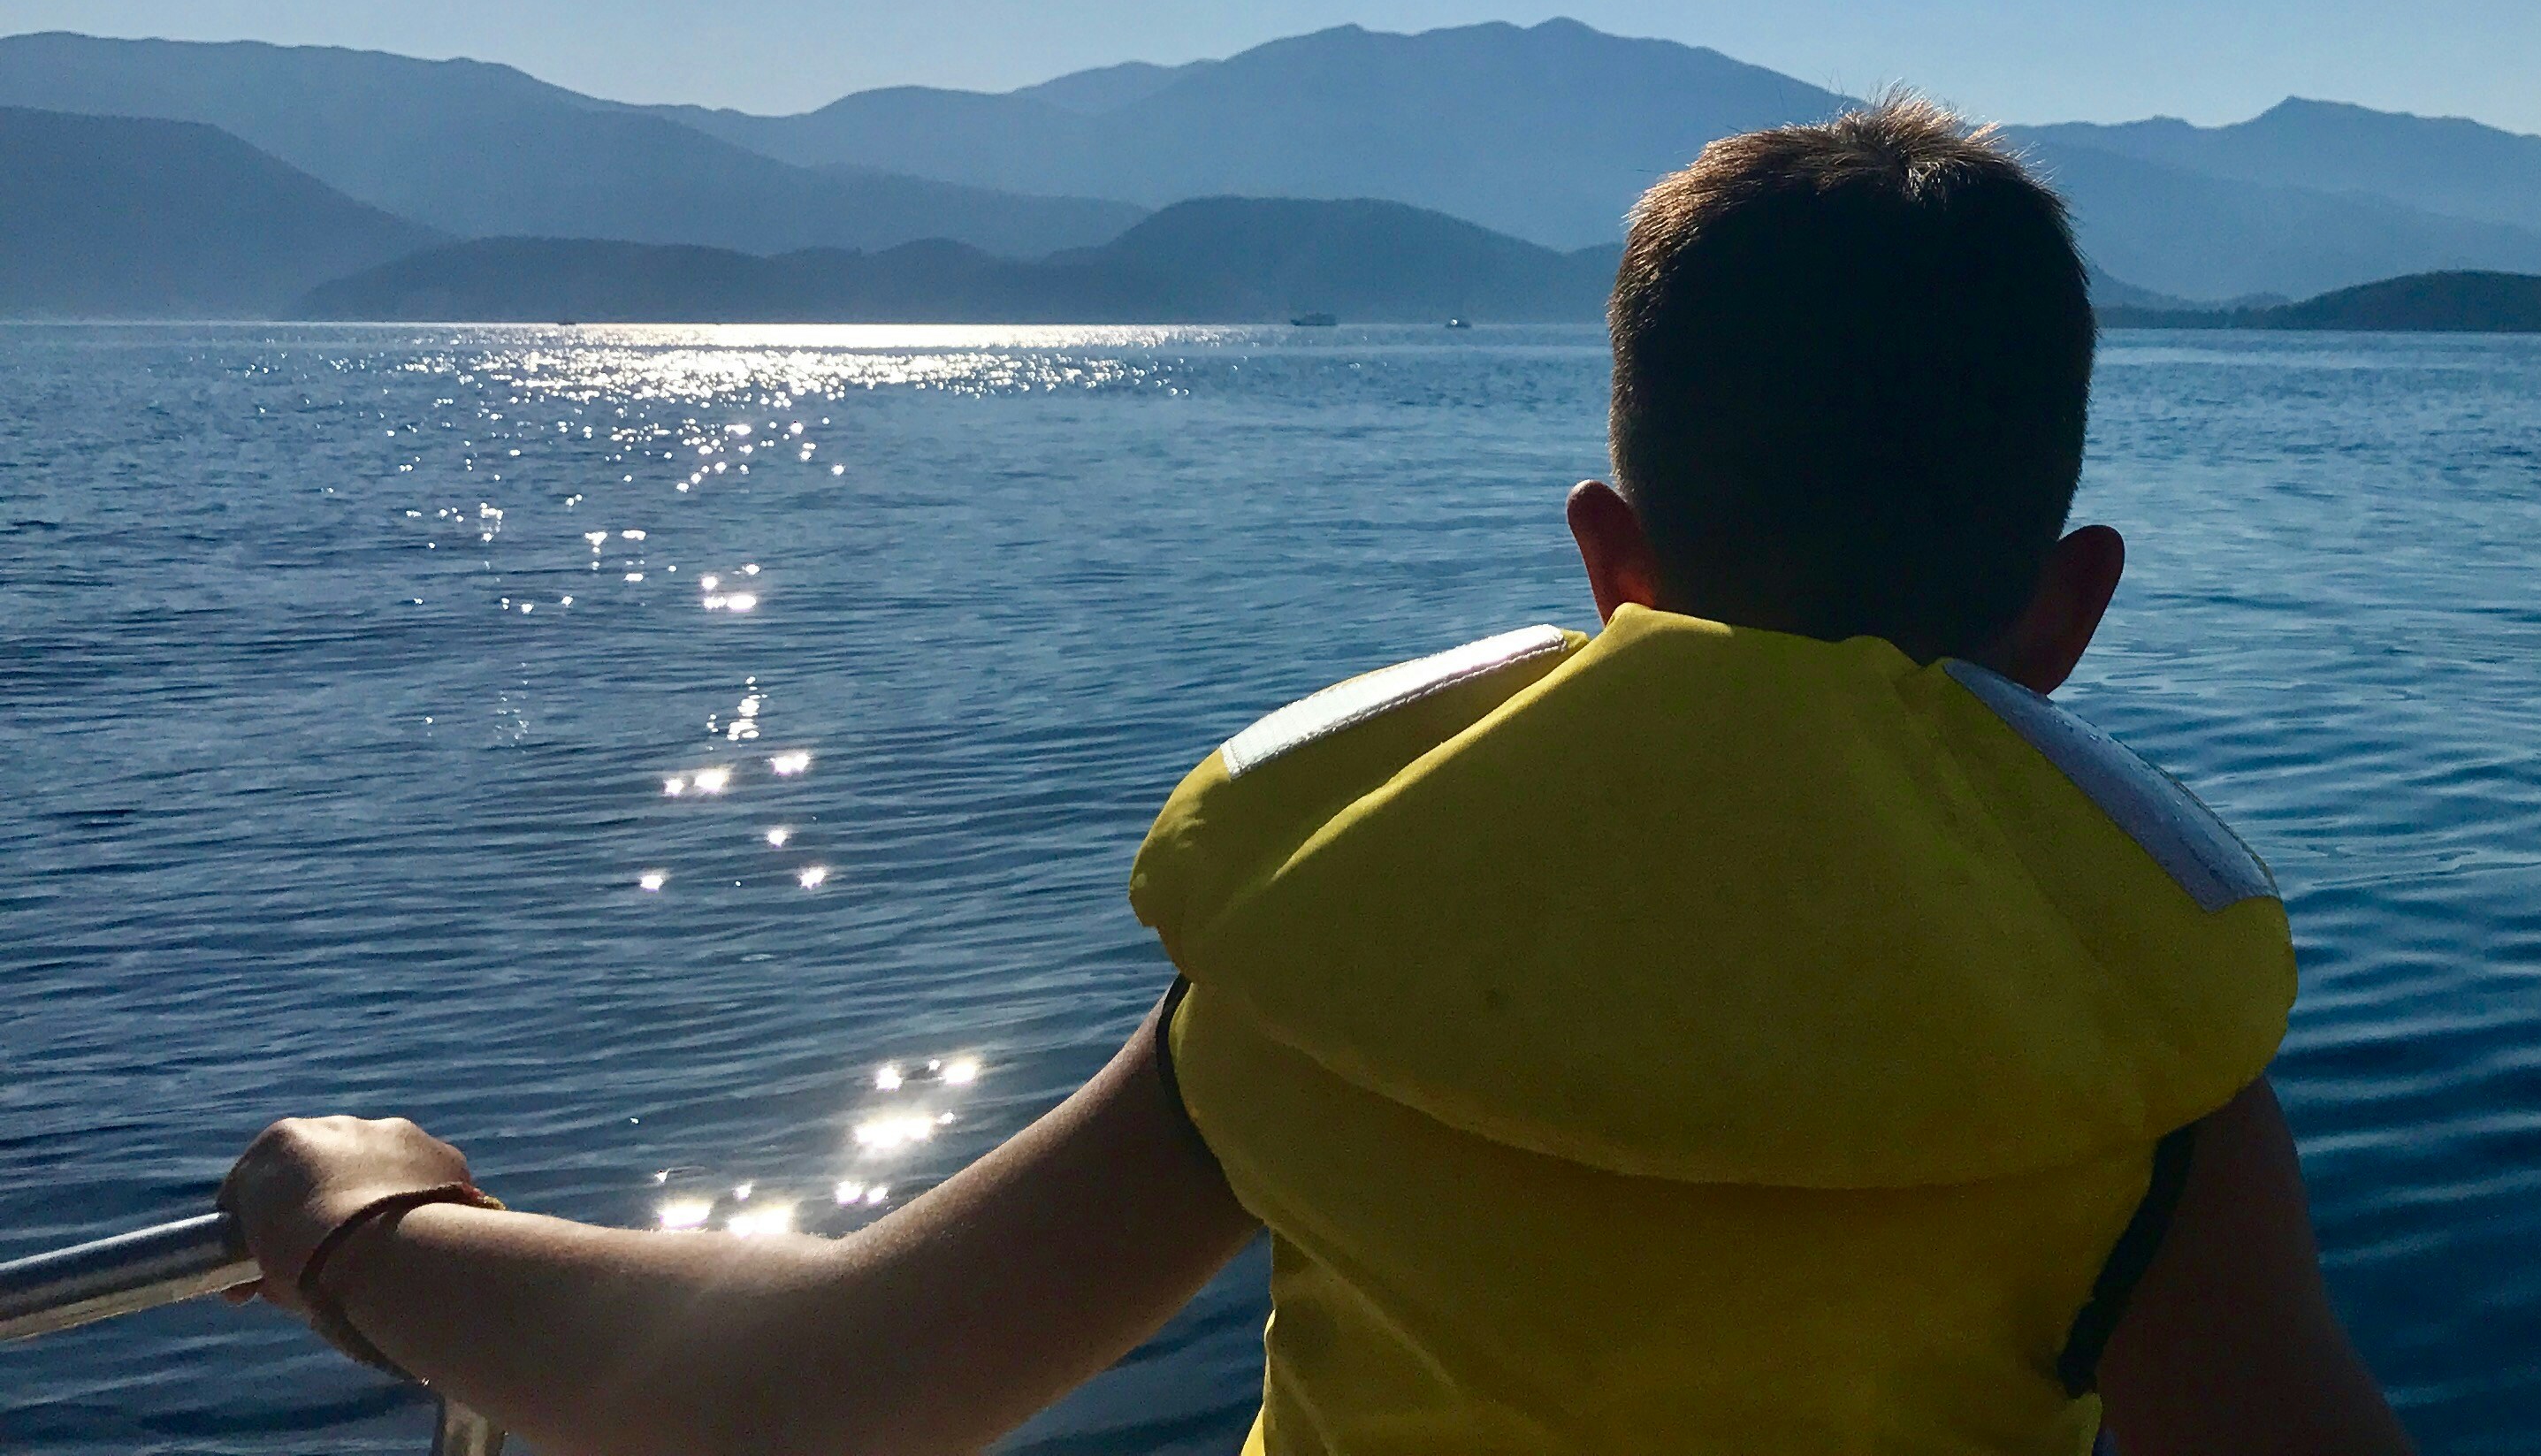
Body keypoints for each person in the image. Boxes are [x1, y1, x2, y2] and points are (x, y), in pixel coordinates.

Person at [223, 98, 2416, 1456]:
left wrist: (368, 1233)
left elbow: (798, 1403)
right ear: (2070, 607)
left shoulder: (1343, 957)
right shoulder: (2138, 1068)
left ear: (1610, 568)